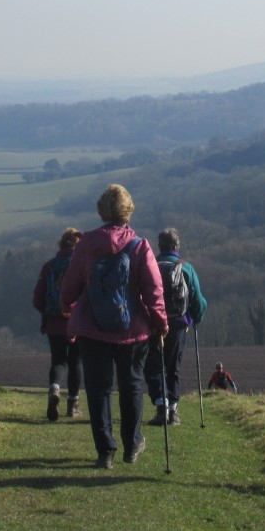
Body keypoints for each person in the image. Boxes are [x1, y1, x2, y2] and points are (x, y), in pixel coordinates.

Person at [59, 184, 167, 468]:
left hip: (91, 329)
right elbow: (153, 290)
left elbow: (70, 286)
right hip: (132, 331)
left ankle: (105, 450)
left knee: (98, 389)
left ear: (102, 210)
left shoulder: (85, 246)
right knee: (131, 386)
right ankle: (132, 445)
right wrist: (160, 323)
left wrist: (66, 307)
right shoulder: (139, 246)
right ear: (128, 211)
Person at [146, 228, 208, 427]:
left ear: (160, 245)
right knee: (173, 367)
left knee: (154, 365)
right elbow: (198, 300)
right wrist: (194, 319)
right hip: (180, 324)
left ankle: (160, 405)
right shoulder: (186, 268)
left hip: (153, 323)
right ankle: (173, 411)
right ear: (177, 246)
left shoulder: (151, 266)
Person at [31, 227, 83, 421]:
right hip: (77, 323)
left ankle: (54, 390)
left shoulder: (49, 266)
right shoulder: (82, 265)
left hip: (54, 322)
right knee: (75, 361)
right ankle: (73, 406)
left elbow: (37, 298)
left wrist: (47, 312)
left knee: (58, 361)